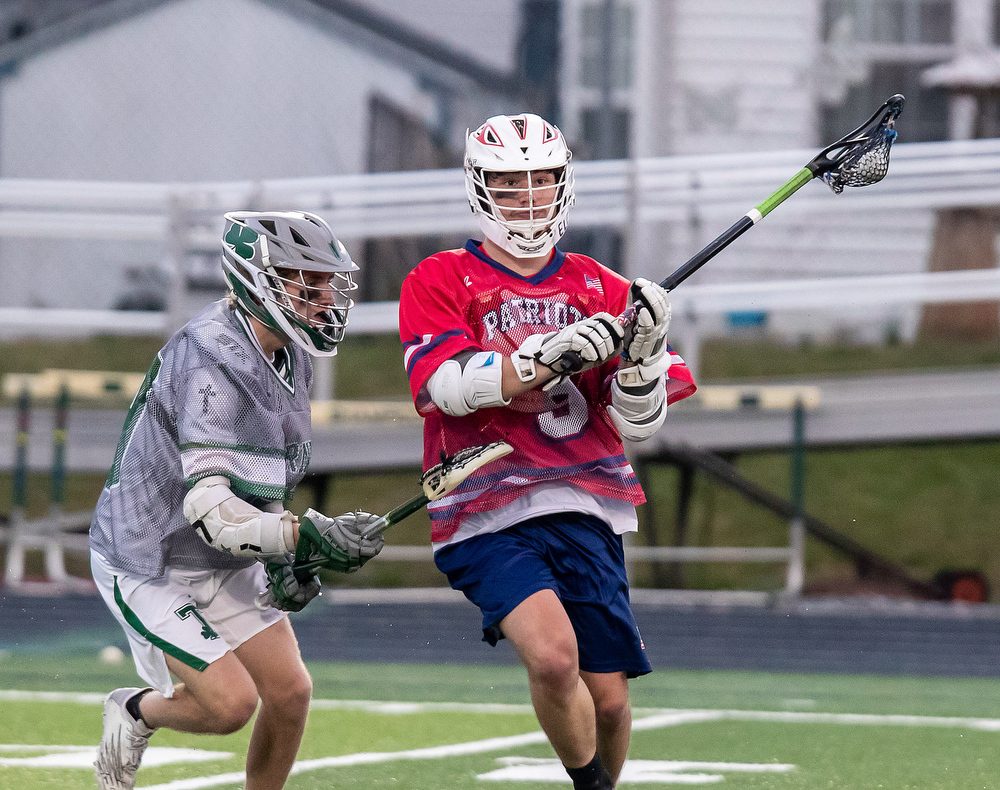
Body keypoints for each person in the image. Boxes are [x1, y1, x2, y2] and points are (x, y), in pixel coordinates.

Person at [398, 113, 696, 790]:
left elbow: (639, 422)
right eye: (508, 182)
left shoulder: (602, 286)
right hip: (485, 502)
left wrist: (642, 354)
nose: (528, 195)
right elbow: (443, 386)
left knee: (612, 703)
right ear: (480, 188)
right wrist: (538, 360)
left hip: (586, 502)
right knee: (555, 660)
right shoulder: (442, 278)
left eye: (541, 179)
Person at [89, 210, 385, 790]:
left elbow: (261, 482)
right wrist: (304, 536)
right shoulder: (209, 356)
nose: (326, 296)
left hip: (221, 553)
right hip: (151, 557)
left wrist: (284, 556)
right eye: (310, 280)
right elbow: (213, 513)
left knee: (291, 692)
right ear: (259, 279)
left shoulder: (289, 351)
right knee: (229, 706)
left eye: (328, 281)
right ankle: (135, 710)